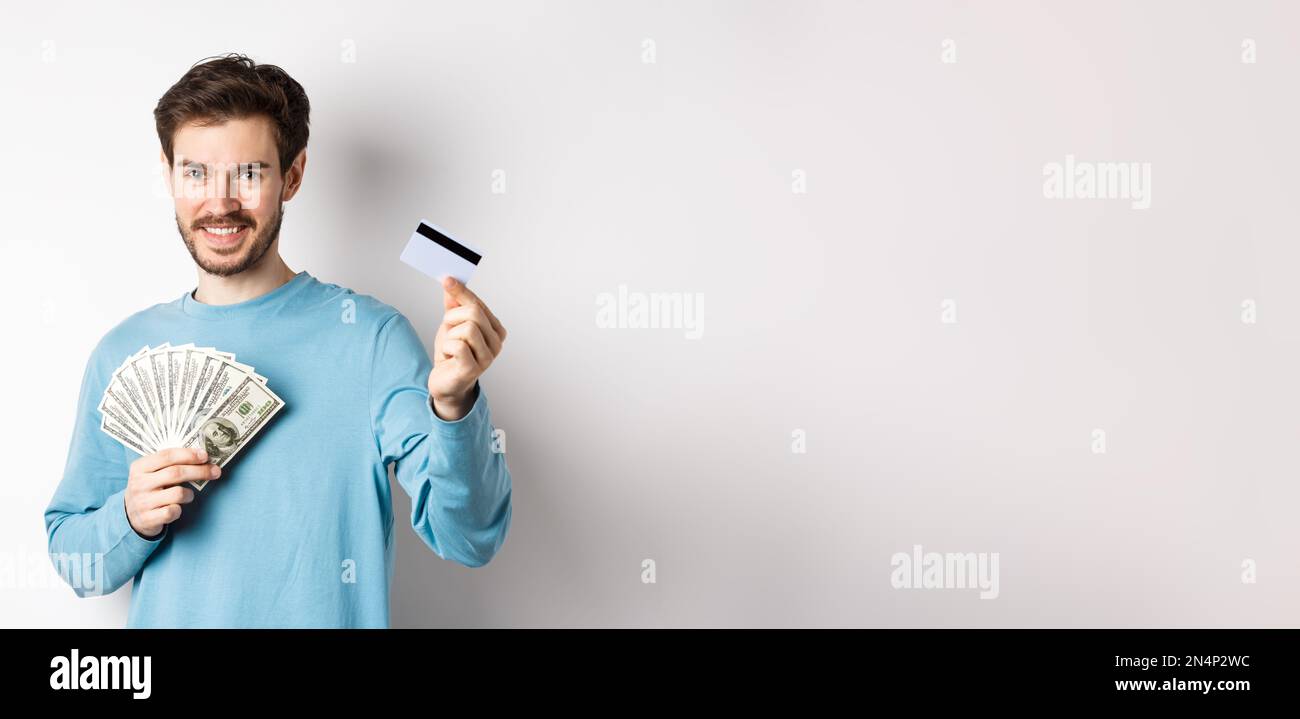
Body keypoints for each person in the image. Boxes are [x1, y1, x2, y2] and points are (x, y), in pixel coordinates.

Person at [43, 53, 512, 628]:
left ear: (292, 175)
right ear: (167, 174)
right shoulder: (124, 352)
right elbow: (76, 563)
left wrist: (454, 406)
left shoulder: (371, 339)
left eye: (249, 173)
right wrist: (129, 518)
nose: (220, 202)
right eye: (196, 173)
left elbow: (471, 539)